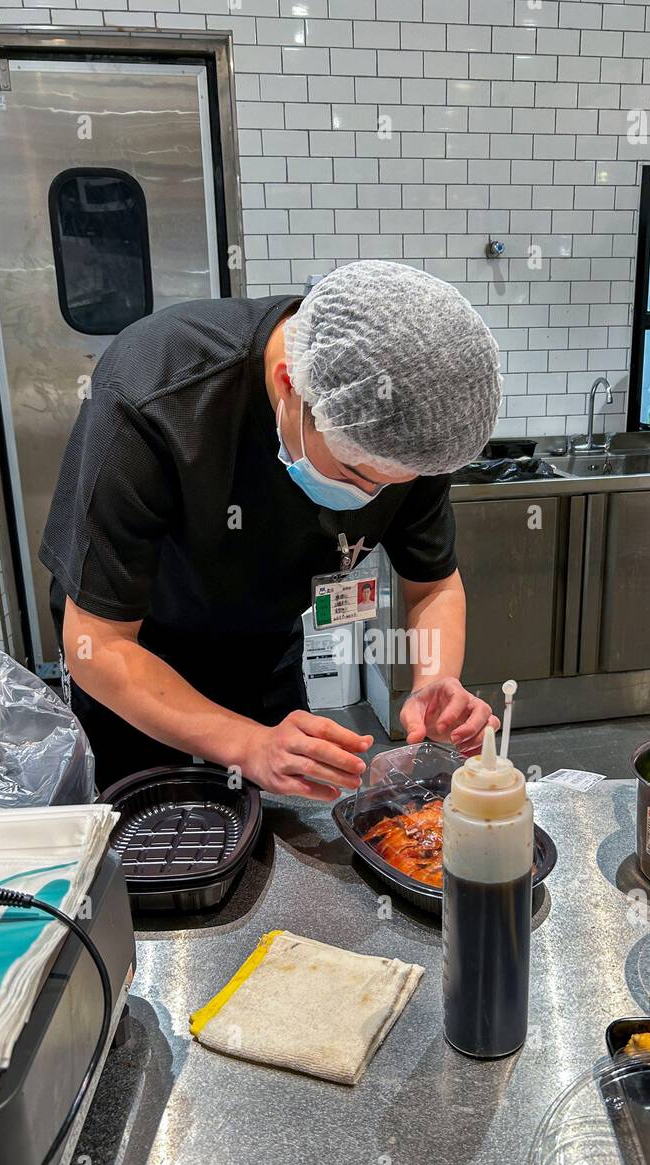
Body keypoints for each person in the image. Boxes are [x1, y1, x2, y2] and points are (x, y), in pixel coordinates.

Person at [39, 260, 504, 797]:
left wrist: (436, 680)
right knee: (144, 822)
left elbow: (434, 582)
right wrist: (246, 745)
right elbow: (96, 640)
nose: (370, 498)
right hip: (136, 649)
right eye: (354, 475)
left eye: (392, 484)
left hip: (264, 641)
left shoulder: (407, 428)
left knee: (279, 813)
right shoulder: (154, 388)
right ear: (289, 386)